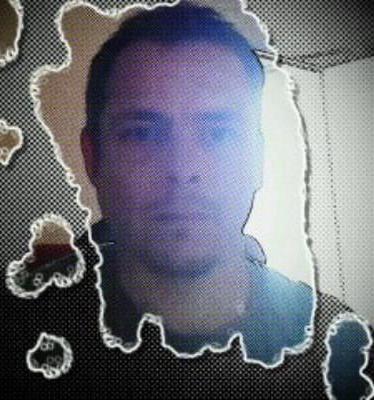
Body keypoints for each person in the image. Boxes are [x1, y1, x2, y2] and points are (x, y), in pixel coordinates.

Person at [80, 2, 313, 364]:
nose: (182, 169)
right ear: (93, 158)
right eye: (141, 134)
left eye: (219, 134)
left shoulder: (338, 343)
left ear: (258, 159)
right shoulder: (9, 332)